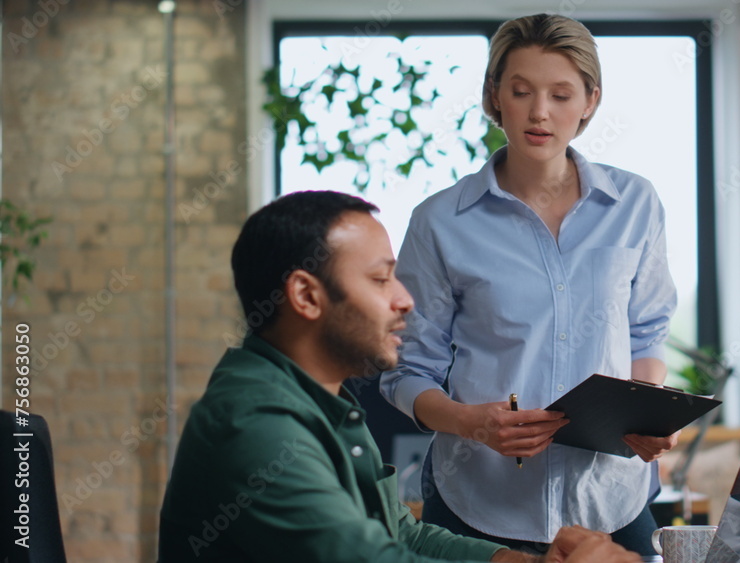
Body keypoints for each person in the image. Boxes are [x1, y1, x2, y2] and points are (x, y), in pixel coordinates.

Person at [157, 191, 641, 563]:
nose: (404, 300)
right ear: (306, 296)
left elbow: (399, 534)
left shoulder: (323, 402)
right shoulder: (255, 422)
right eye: (379, 278)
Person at [380, 13, 679, 557]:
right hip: (479, 499)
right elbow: (406, 371)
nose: (540, 112)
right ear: (495, 95)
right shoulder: (440, 222)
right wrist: (471, 423)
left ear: (591, 100)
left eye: (562, 95)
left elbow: (647, 333)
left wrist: (647, 413)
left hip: (610, 500)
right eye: (521, 91)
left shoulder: (636, 205)